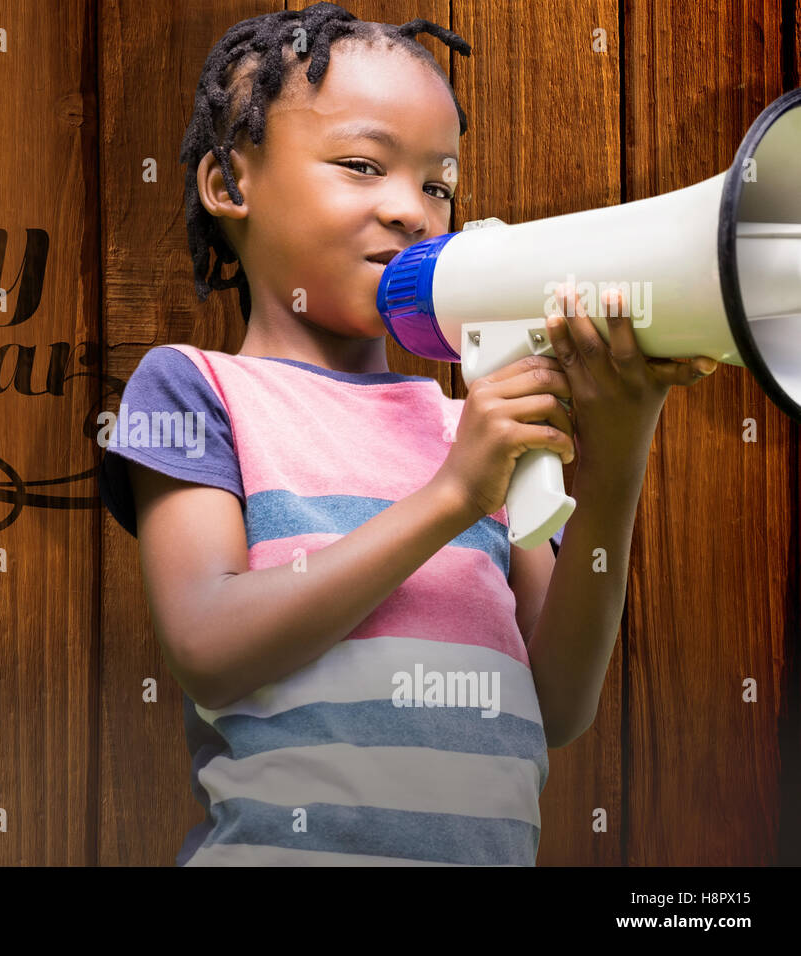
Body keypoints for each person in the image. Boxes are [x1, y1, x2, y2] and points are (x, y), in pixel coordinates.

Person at [97, 3, 718, 866]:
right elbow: (208, 646)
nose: (412, 213)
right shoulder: (194, 389)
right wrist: (453, 496)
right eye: (362, 165)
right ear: (229, 185)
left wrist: (618, 446)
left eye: (438, 186)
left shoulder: (475, 427)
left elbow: (558, 704)